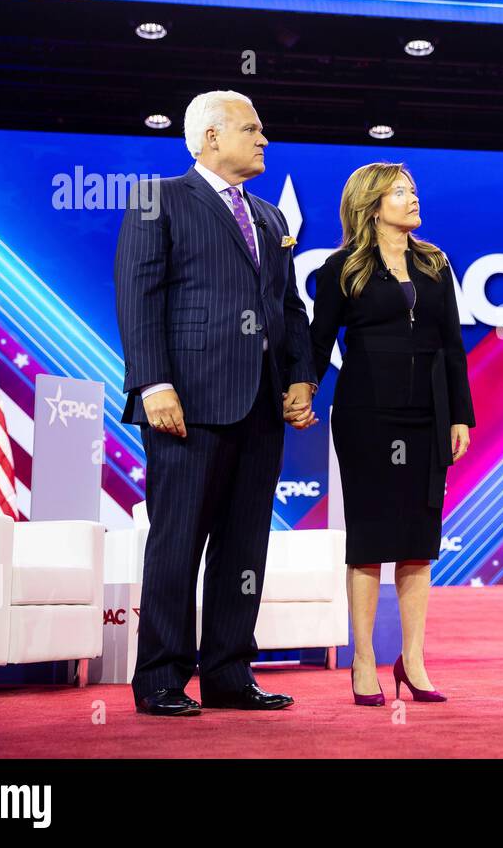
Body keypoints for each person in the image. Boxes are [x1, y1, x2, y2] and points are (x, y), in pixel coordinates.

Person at [115, 90, 319, 716]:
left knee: (243, 546)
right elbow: (138, 296)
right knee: (177, 542)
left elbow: (288, 307)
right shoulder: (160, 198)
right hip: (187, 404)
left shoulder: (269, 217)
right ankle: (159, 678)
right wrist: (153, 385)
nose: (264, 139)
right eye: (252, 129)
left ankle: (230, 673)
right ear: (209, 138)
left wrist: (301, 377)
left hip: (259, 406)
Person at [309, 162, 474, 706]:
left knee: (418, 545)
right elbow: (317, 340)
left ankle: (414, 661)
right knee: (370, 542)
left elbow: (453, 346)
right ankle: (362, 662)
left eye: (414, 190)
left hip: (427, 417)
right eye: (401, 192)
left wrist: (460, 416)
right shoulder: (342, 269)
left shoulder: (434, 263)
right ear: (373, 204)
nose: (413, 198)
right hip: (366, 416)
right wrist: (299, 390)